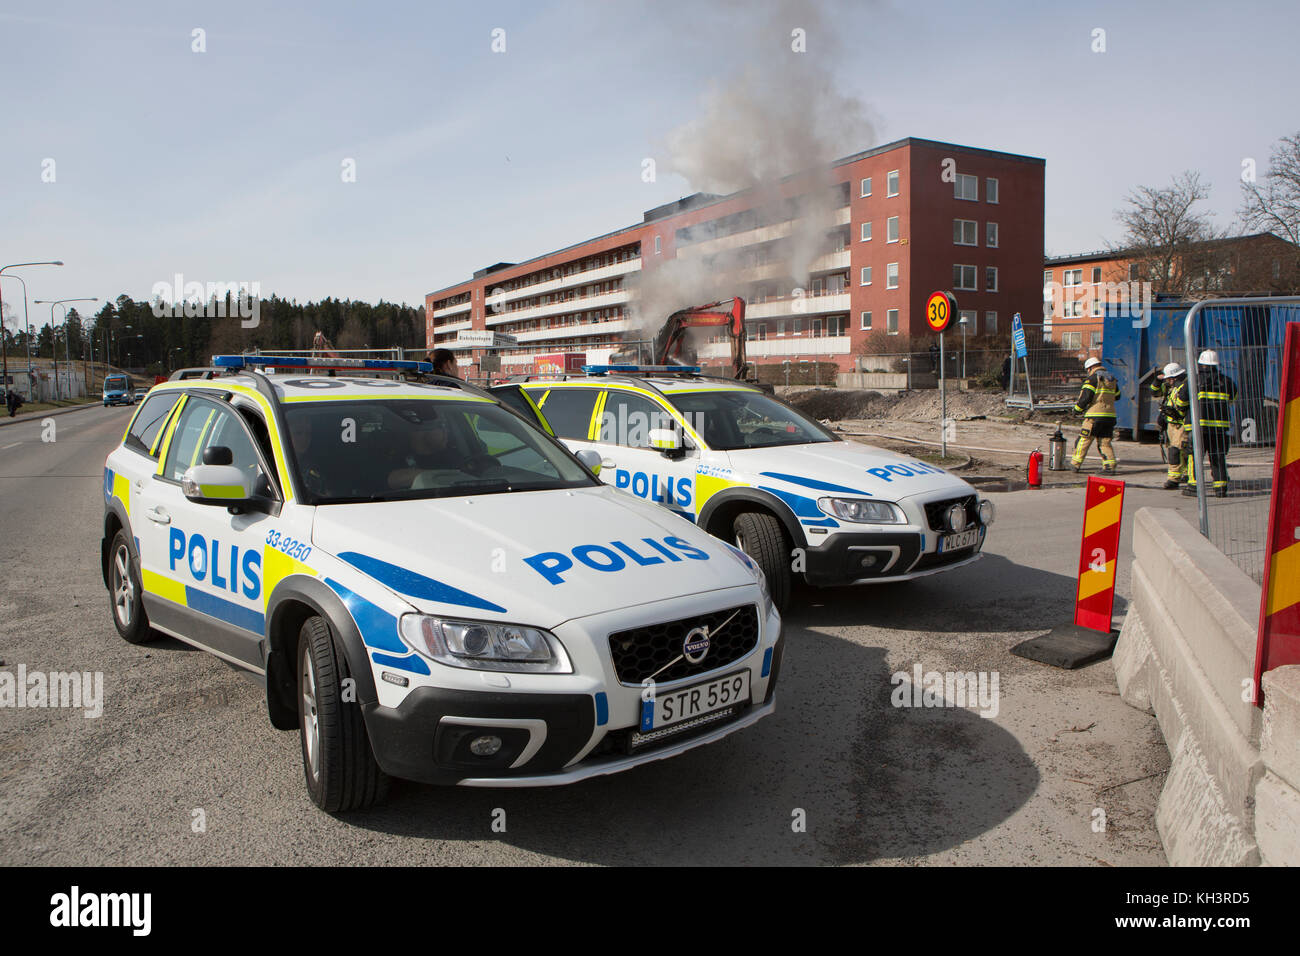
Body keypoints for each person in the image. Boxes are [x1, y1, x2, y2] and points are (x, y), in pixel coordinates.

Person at [1183, 349, 1238, 499]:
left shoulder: (1193, 380)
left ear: (1200, 364)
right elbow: (1233, 399)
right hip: (1219, 429)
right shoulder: (1227, 381)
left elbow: (1181, 400)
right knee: (1218, 457)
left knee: (1195, 457)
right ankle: (1220, 489)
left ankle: (1193, 486)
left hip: (1197, 427)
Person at [1070, 356, 1120, 474]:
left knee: (1084, 439)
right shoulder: (1112, 379)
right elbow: (1118, 396)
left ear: (1091, 368)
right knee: (1104, 442)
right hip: (1110, 416)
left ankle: (1075, 464)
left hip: (1094, 416)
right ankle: (1110, 467)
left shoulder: (1092, 379)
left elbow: (1086, 397)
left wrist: (1076, 410)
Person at [1149, 362, 1189, 489]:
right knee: (1180, 450)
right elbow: (1154, 392)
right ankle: (1186, 473)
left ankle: (1173, 479)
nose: (1167, 381)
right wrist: (1157, 380)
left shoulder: (1184, 386)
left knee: (1176, 451)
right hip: (1171, 424)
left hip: (1181, 424)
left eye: (1169, 379)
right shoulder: (1169, 386)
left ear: (1175, 377)